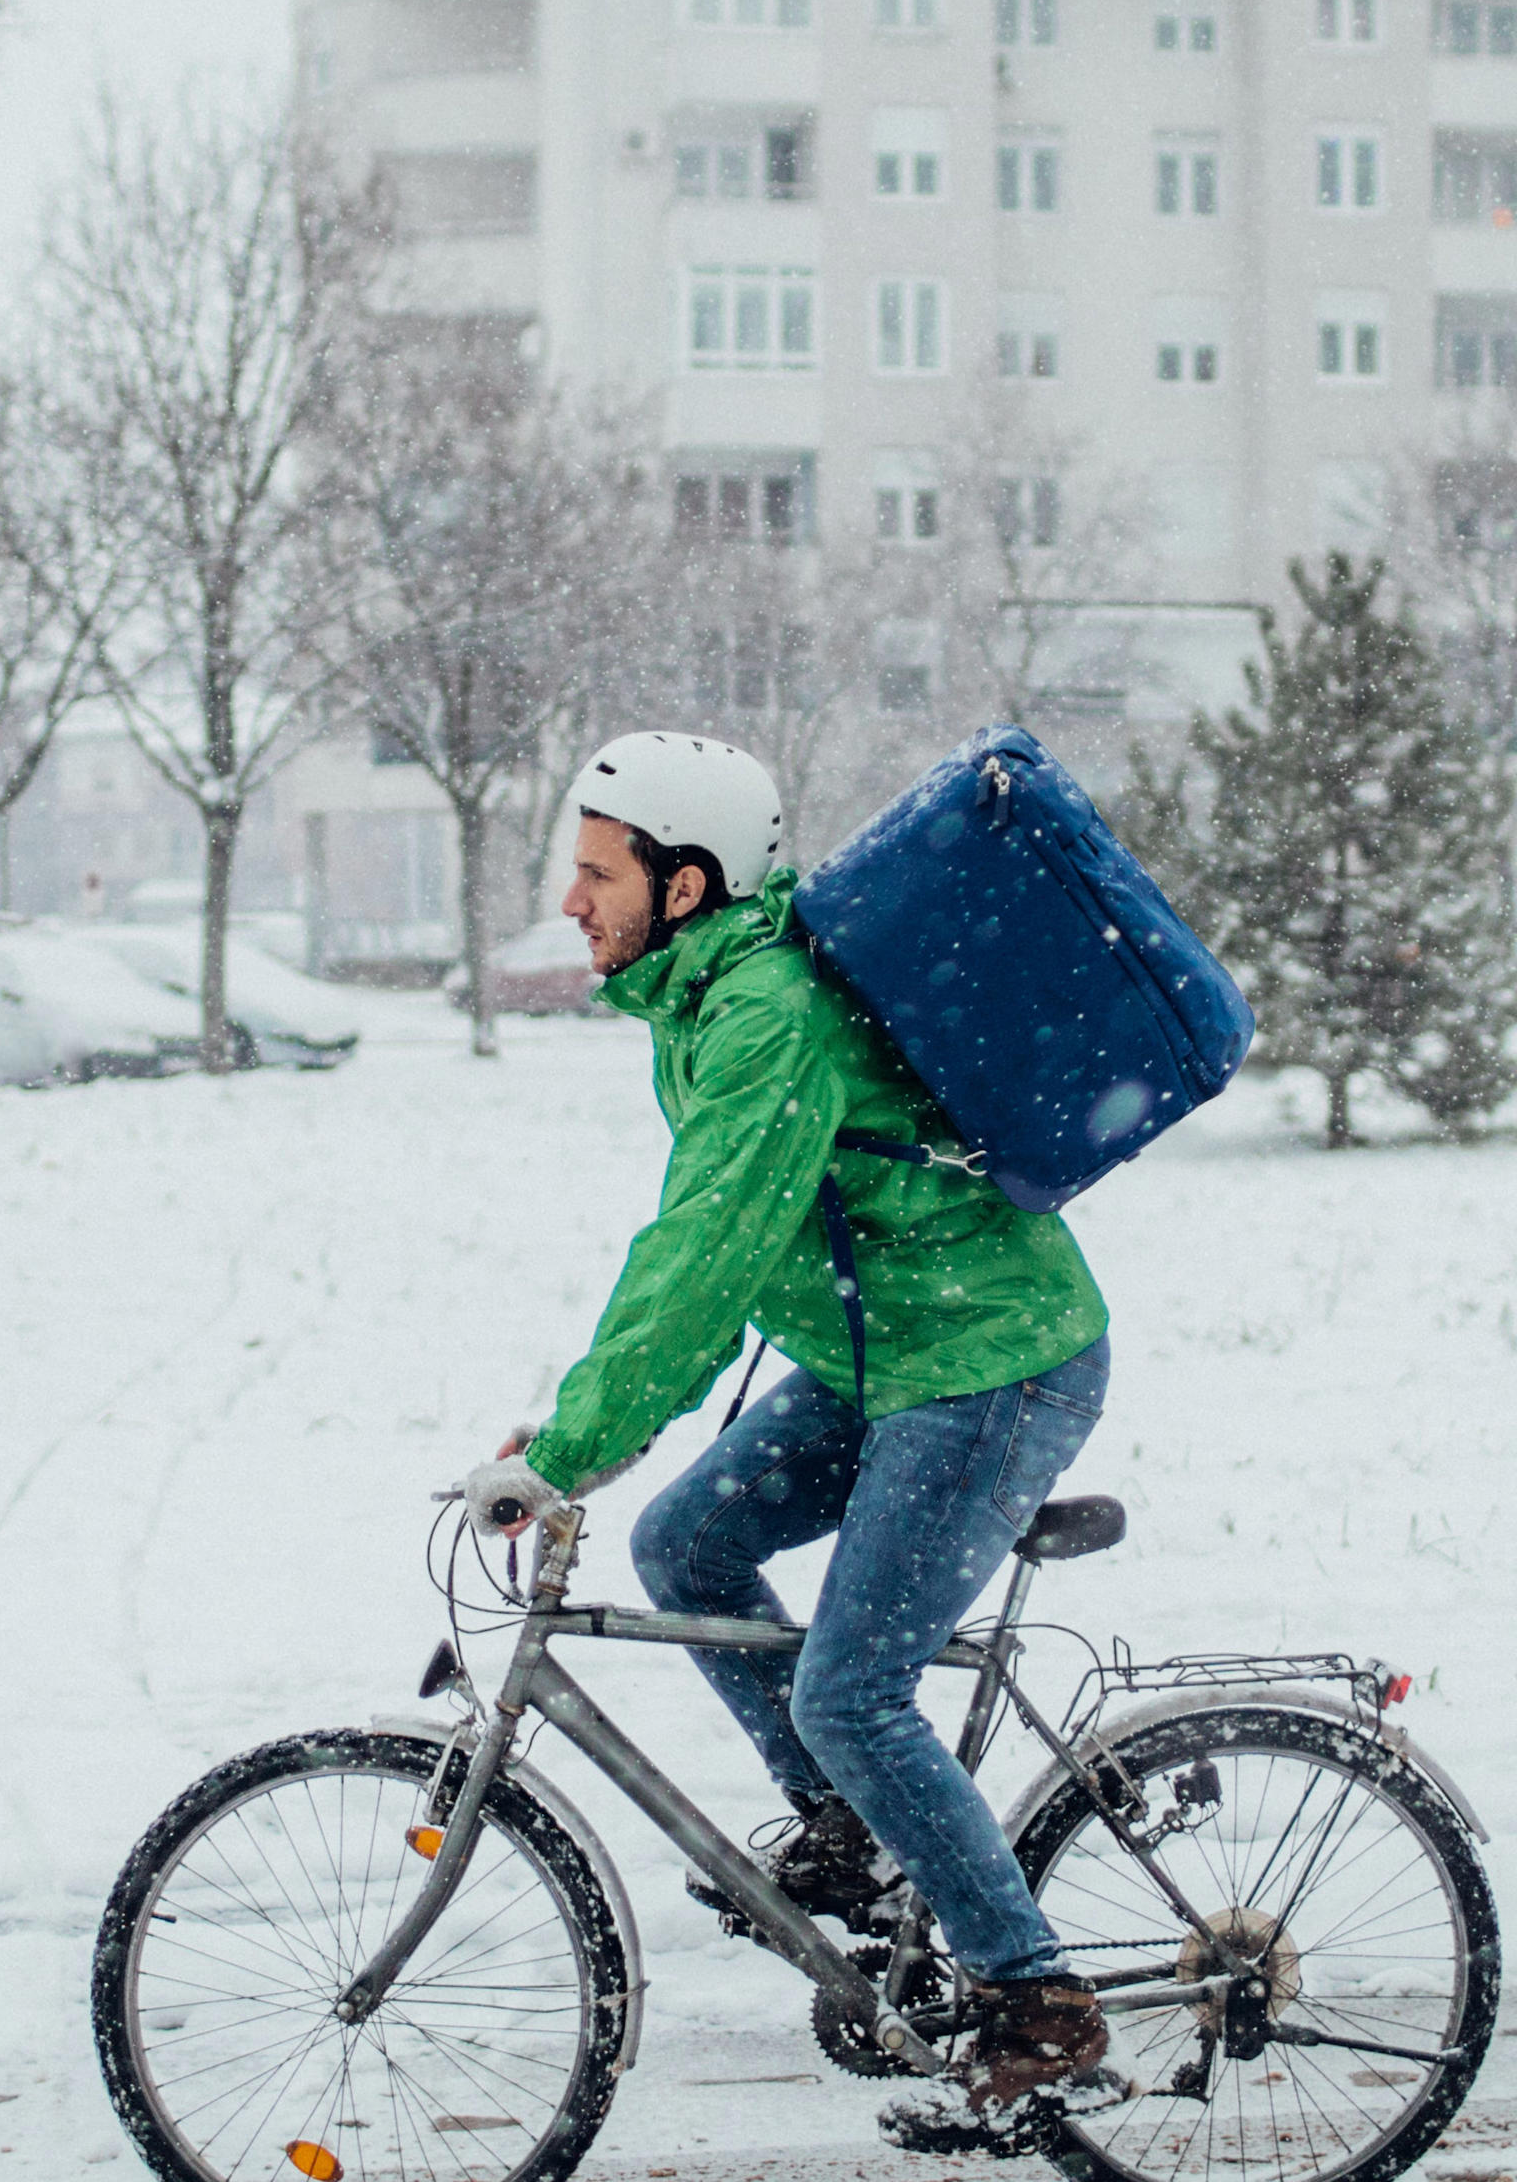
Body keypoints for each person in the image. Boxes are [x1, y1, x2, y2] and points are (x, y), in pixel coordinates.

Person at [452, 732, 1118, 2128]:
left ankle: (1032, 1996)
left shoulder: (764, 1018)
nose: (570, 900)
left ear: (685, 884)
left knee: (850, 1688)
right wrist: (587, 1429)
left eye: (595, 871)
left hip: (989, 1360)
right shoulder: (710, 1000)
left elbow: (702, 1251)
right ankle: (861, 1836)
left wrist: (571, 1446)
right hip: (891, 1354)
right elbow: (727, 1248)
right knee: (687, 1544)